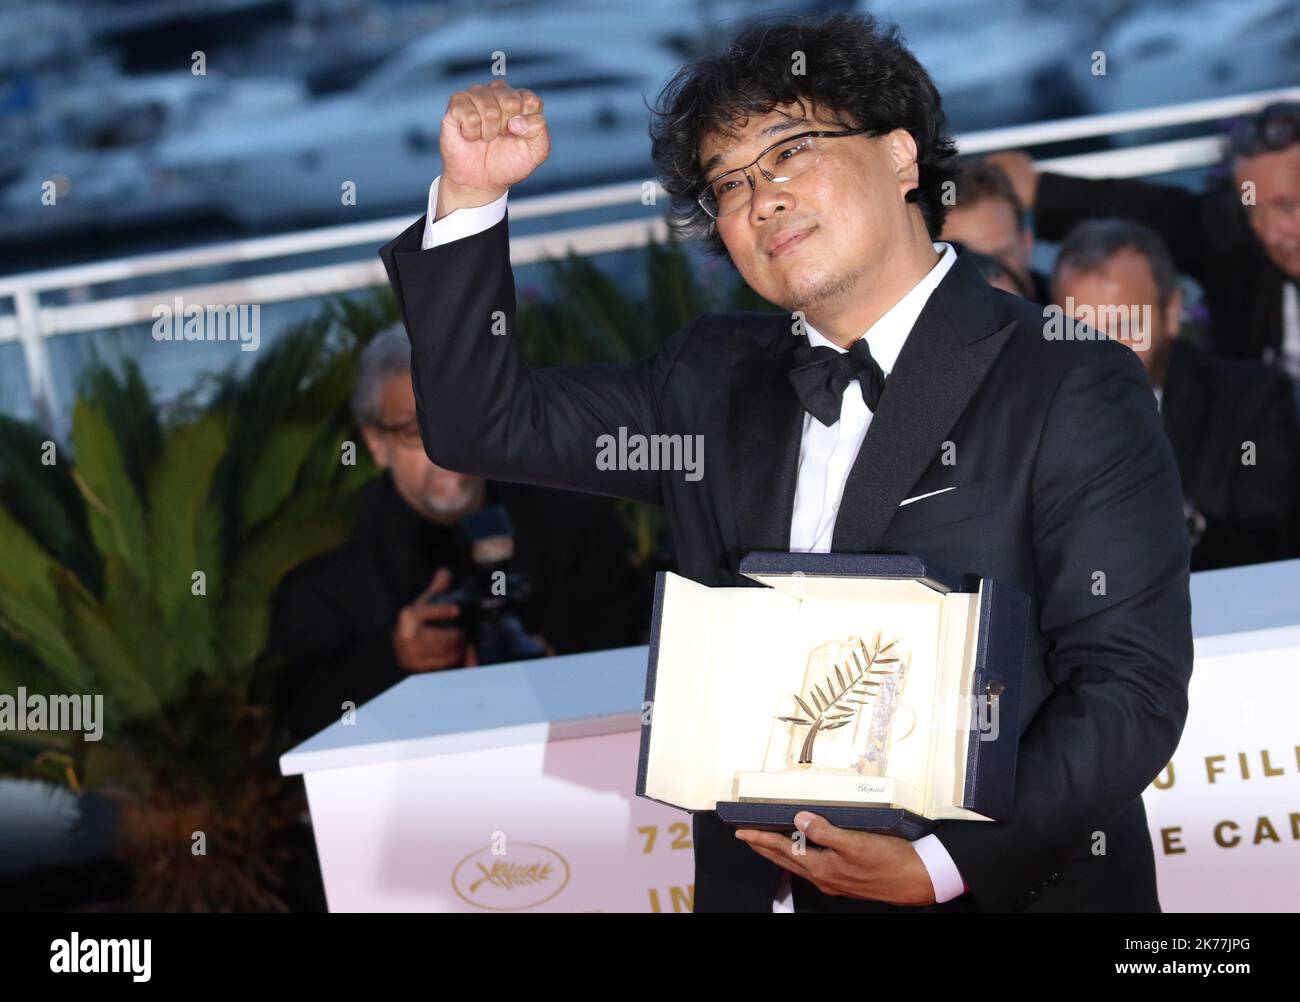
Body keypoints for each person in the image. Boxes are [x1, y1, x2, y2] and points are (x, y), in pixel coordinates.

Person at [379, 12, 1192, 913]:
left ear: (899, 157)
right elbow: (479, 425)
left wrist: (940, 864)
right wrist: (470, 197)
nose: (759, 198)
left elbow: (1129, 690)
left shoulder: (1069, 380)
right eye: (727, 183)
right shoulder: (705, 378)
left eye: (790, 151)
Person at [270, 326, 649, 747]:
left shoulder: (574, 520)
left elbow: (636, 654)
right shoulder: (328, 562)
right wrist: (395, 659)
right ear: (376, 443)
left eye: (460, 421)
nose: (444, 450)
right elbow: (301, 715)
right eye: (415, 432)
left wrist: (560, 676)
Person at [986, 102, 1300, 384]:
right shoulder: (1235, 244)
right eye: (1254, 212)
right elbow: (1154, 212)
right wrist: (1039, 190)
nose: (1270, 234)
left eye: (1286, 206)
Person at [1052, 219, 1300, 571]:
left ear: (1170, 312)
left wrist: (1176, 521)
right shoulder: (1030, 416)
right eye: (1079, 330)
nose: (1102, 352)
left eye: (1123, 327)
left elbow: (1273, 546)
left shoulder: (1251, 401)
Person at [941, 159, 1050, 303]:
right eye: (965, 260)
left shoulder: (1072, 308)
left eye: (1000, 257)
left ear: (1027, 244)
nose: (987, 279)